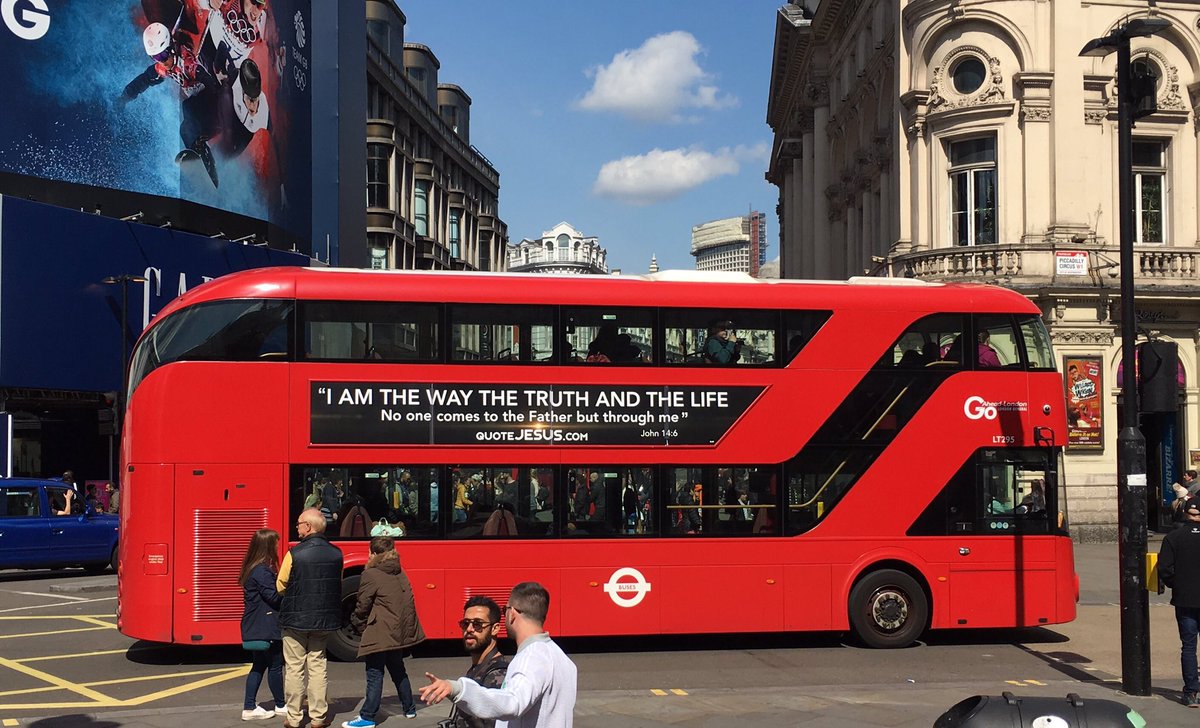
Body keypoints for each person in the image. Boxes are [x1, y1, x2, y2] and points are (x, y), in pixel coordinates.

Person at [420, 582, 577, 728]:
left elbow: (512, 703)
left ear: (512, 613)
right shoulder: (562, 659)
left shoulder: (530, 658)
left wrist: (458, 689)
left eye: (505, 610)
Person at [342, 537, 424, 727]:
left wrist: (358, 623)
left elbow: (362, 605)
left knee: (374, 673)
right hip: (396, 630)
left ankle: (368, 716)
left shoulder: (371, 574)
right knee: (397, 669)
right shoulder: (399, 571)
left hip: (379, 630)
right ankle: (409, 708)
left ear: (373, 553)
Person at [277, 508, 344, 728]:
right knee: (318, 666)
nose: (296, 527)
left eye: (298, 523)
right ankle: (318, 717)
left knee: (294, 668)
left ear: (308, 526)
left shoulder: (294, 553)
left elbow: (280, 585)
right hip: (323, 620)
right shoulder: (336, 553)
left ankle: (294, 718)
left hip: (295, 619)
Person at [238, 529, 287, 721]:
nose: (277, 547)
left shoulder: (252, 568)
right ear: (267, 546)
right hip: (266, 625)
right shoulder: (262, 571)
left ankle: (249, 706)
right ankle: (281, 704)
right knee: (275, 665)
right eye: (275, 543)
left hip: (255, 624)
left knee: (258, 665)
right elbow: (273, 598)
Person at [443, 596, 511, 728]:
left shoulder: (498, 675)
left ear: (495, 628)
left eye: (477, 624)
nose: (469, 629)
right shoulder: (479, 667)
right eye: (465, 623)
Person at [1158, 497, 1200, 707]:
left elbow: (1164, 568)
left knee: (1189, 646)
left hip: (1185, 599)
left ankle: (1192, 692)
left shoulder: (1173, 537)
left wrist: (1178, 583)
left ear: (1185, 513)